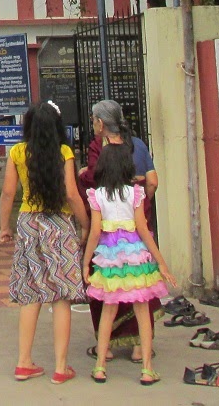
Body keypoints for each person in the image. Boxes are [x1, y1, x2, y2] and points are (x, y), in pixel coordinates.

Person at [0, 101, 89, 384]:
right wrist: (85, 225)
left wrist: (4, 227)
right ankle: (61, 368)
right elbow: (72, 194)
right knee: (61, 296)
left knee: (30, 292)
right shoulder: (64, 152)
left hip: (28, 223)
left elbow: (8, 193)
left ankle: (24, 362)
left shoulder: (17, 152)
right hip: (59, 224)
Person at [83, 143, 174, 386]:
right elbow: (143, 229)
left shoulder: (98, 195)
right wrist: (161, 262)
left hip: (109, 258)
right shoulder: (135, 193)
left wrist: (85, 263)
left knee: (108, 312)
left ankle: (100, 366)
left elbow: (94, 233)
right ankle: (147, 368)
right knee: (142, 311)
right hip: (136, 258)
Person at [78, 99, 159, 362]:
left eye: (93, 120)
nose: (93, 125)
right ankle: (141, 352)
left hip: (108, 237)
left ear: (101, 123)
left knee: (107, 293)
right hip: (137, 230)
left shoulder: (100, 149)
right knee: (141, 290)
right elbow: (153, 182)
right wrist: (141, 201)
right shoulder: (138, 145)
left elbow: (94, 179)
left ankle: (105, 352)